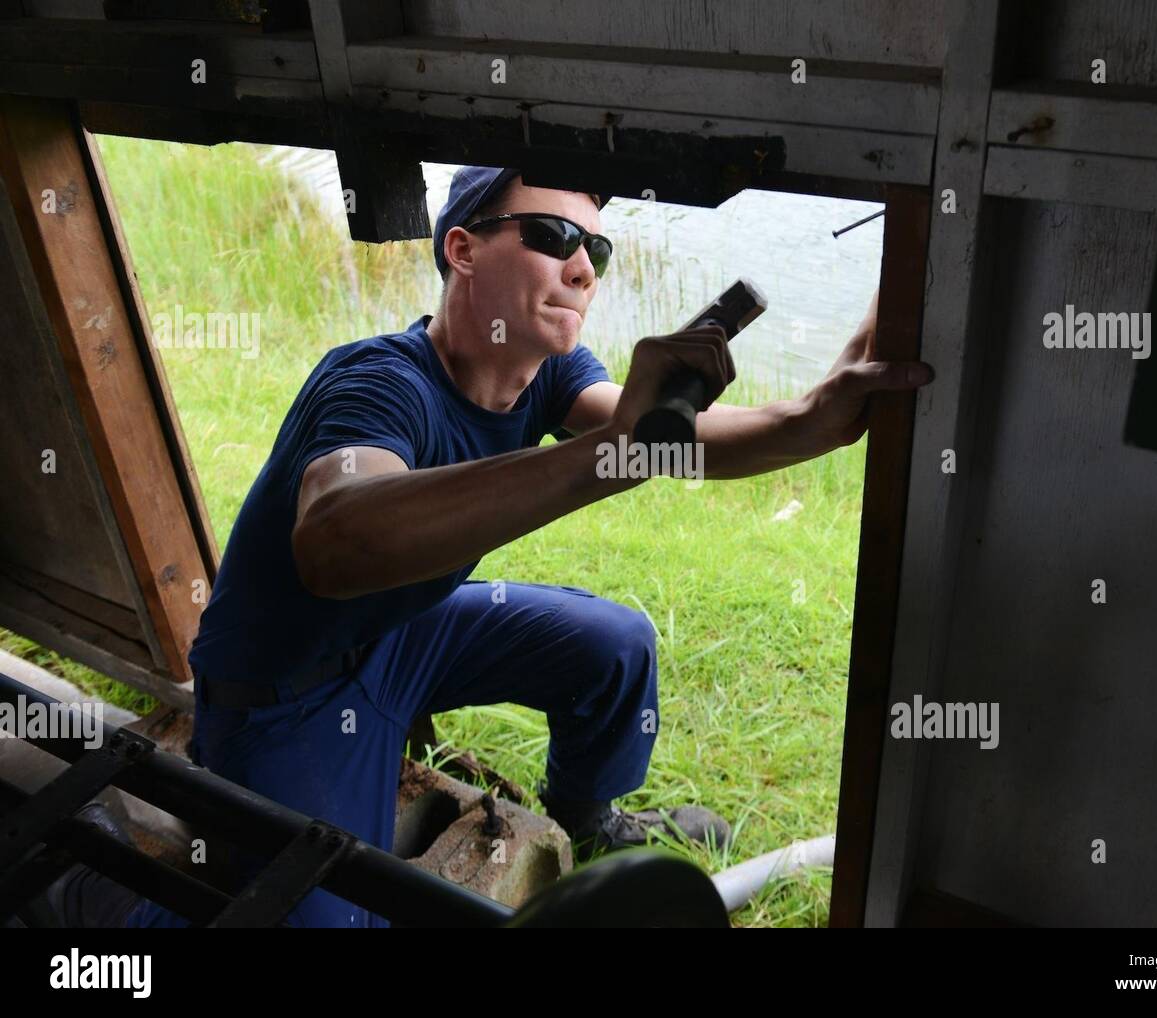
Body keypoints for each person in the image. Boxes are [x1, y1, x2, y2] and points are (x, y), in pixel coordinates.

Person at [109, 165, 934, 927]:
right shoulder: (377, 380)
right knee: (324, 914)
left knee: (613, 646)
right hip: (285, 693)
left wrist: (817, 417)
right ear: (462, 249)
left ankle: (587, 816)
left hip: (401, 635)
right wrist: (614, 454)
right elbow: (336, 542)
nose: (585, 268)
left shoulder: (547, 372)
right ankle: (84, 900)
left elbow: (683, 441)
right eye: (553, 237)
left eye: (597, 247)